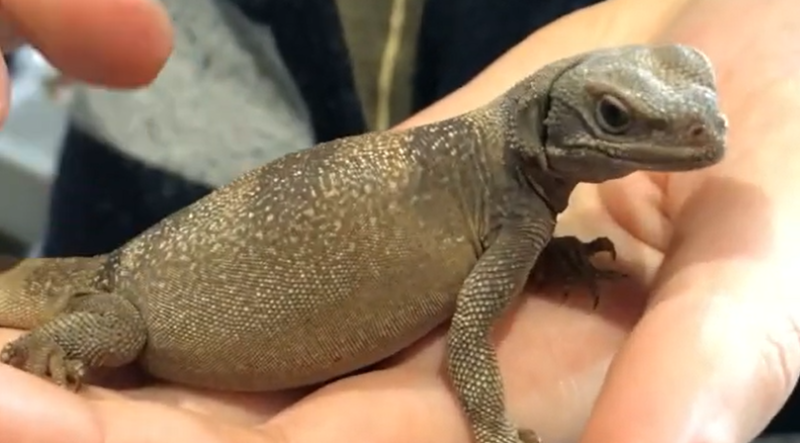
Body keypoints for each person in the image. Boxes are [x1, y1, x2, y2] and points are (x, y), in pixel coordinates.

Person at [1, 0, 800, 442]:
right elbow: (468, 344)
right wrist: (492, 429)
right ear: (549, 124)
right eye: (617, 117)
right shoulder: (509, 206)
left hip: (143, 257)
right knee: (104, 336)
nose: (701, 131)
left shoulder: (513, 204)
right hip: (126, 270)